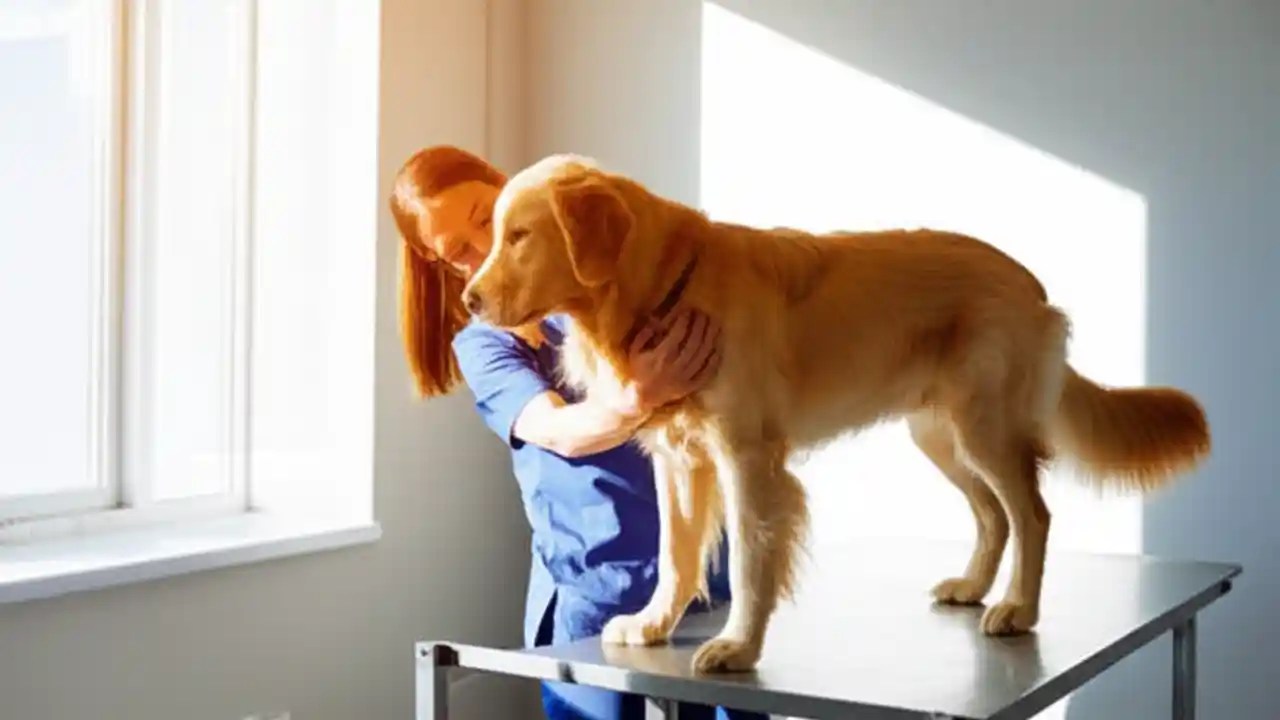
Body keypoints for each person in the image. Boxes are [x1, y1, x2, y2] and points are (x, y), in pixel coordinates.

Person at [389, 146, 764, 720]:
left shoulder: (630, 286)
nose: (485, 248)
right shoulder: (488, 342)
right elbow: (558, 431)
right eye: (459, 252)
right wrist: (642, 393)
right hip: (594, 599)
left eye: (486, 218)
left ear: (511, 188)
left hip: (707, 591)